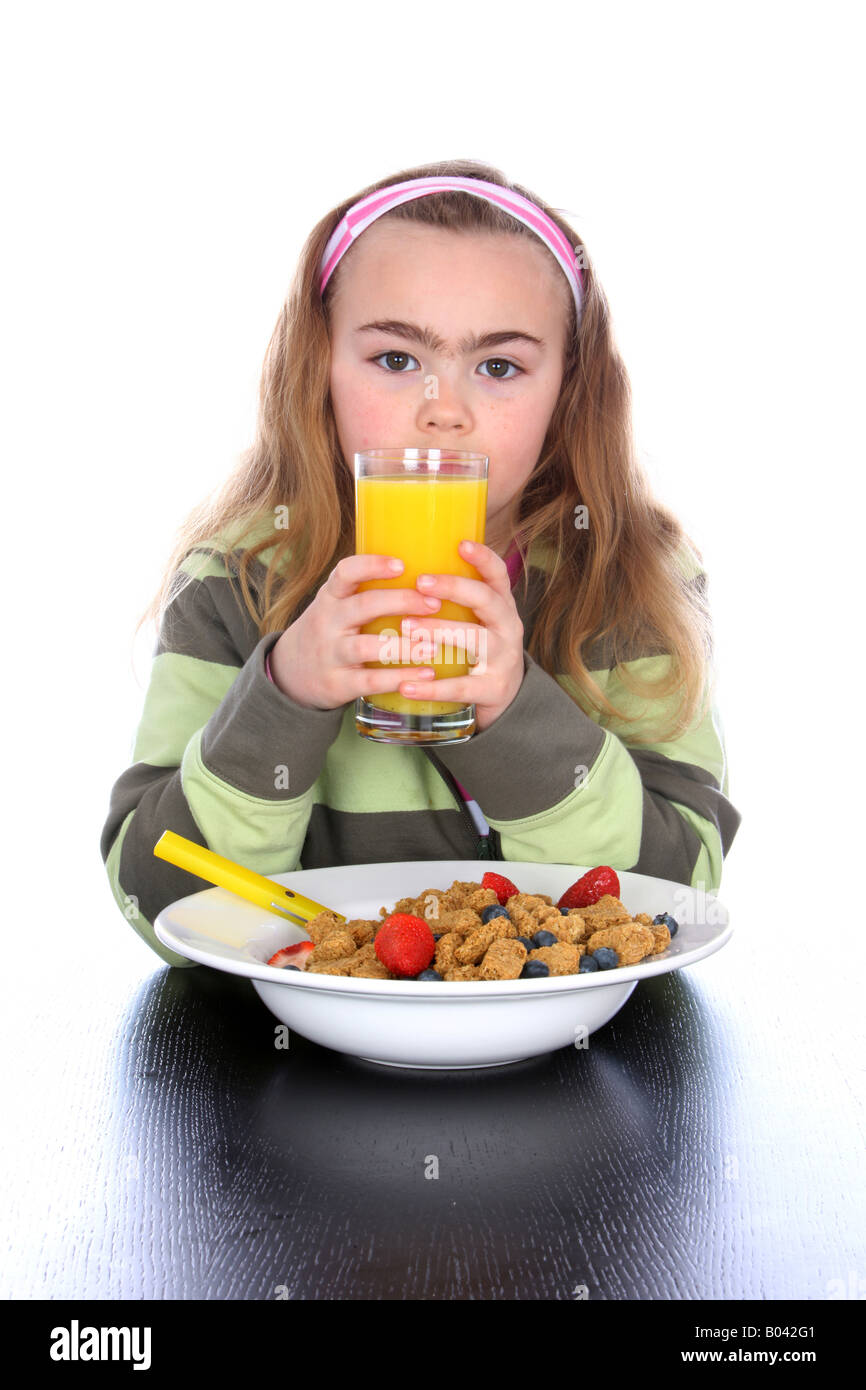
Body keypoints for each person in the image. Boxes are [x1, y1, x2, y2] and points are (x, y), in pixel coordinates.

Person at [100, 158, 741, 967]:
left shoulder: (630, 577)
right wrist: (285, 696)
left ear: (566, 390)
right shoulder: (235, 579)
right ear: (320, 368)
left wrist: (514, 714)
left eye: (499, 367)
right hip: (297, 1060)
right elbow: (156, 904)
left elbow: (679, 897)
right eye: (397, 359)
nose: (445, 411)